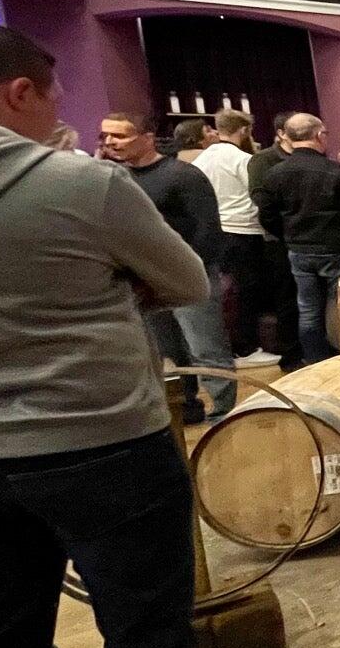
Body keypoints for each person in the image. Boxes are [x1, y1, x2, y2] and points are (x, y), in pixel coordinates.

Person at [0, 19, 293, 648]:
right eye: (54, 93)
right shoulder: (74, 184)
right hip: (99, 442)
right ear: (18, 91)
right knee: (145, 629)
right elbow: (182, 280)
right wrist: (101, 291)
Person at [98, 112, 237, 422]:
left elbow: (208, 230)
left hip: (190, 276)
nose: (110, 142)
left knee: (205, 348)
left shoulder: (183, 175)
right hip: (144, 281)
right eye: (105, 136)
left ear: (147, 138)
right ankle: (185, 407)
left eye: (119, 136)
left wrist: (190, 271)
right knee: (167, 353)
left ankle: (226, 415)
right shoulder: (116, 178)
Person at [253, 113, 340, 364]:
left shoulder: (275, 173)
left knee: (308, 310)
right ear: (319, 136)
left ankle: (316, 363)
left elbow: (266, 215)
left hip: (299, 249)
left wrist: (288, 236)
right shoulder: (336, 170)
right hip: (339, 248)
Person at [193, 109, 280, 369]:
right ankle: (247, 347)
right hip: (244, 229)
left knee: (226, 292)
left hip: (216, 231)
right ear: (244, 131)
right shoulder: (243, 159)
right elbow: (255, 193)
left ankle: (232, 343)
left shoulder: (201, 160)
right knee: (247, 291)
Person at [246, 117, 306, 372]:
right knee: (287, 299)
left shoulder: (306, 157)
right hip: (280, 241)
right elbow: (263, 204)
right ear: (282, 133)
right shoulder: (263, 160)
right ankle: (291, 355)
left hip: (307, 239)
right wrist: (285, 233)